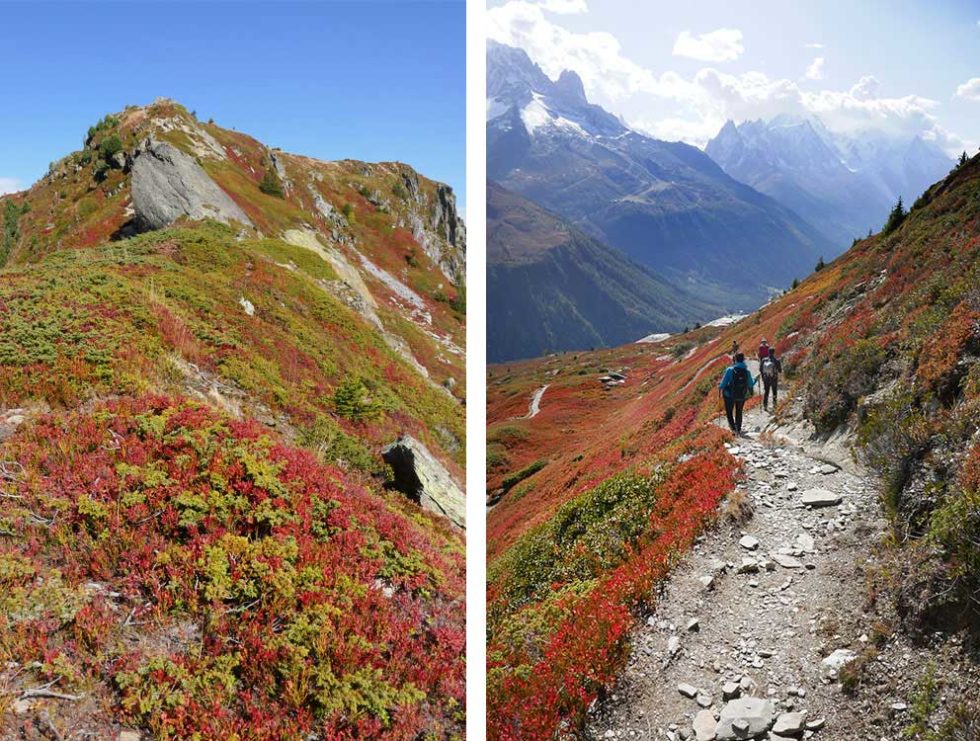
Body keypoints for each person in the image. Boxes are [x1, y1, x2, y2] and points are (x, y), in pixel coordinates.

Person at [719, 352, 755, 435]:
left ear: (735, 360)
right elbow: (750, 384)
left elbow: (723, 384)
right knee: (739, 411)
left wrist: (720, 387)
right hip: (741, 395)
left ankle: (733, 428)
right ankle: (738, 428)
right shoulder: (747, 371)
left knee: (729, 411)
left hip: (729, 395)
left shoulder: (730, 370)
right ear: (743, 360)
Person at [761, 347, 783, 412]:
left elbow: (761, 369)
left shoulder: (764, 360)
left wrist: (763, 378)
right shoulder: (776, 360)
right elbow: (780, 370)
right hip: (774, 378)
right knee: (774, 392)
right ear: (774, 352)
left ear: (768, 352)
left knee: (766, 392)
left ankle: (765, 405)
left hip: (766, 378)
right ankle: (775, 405)